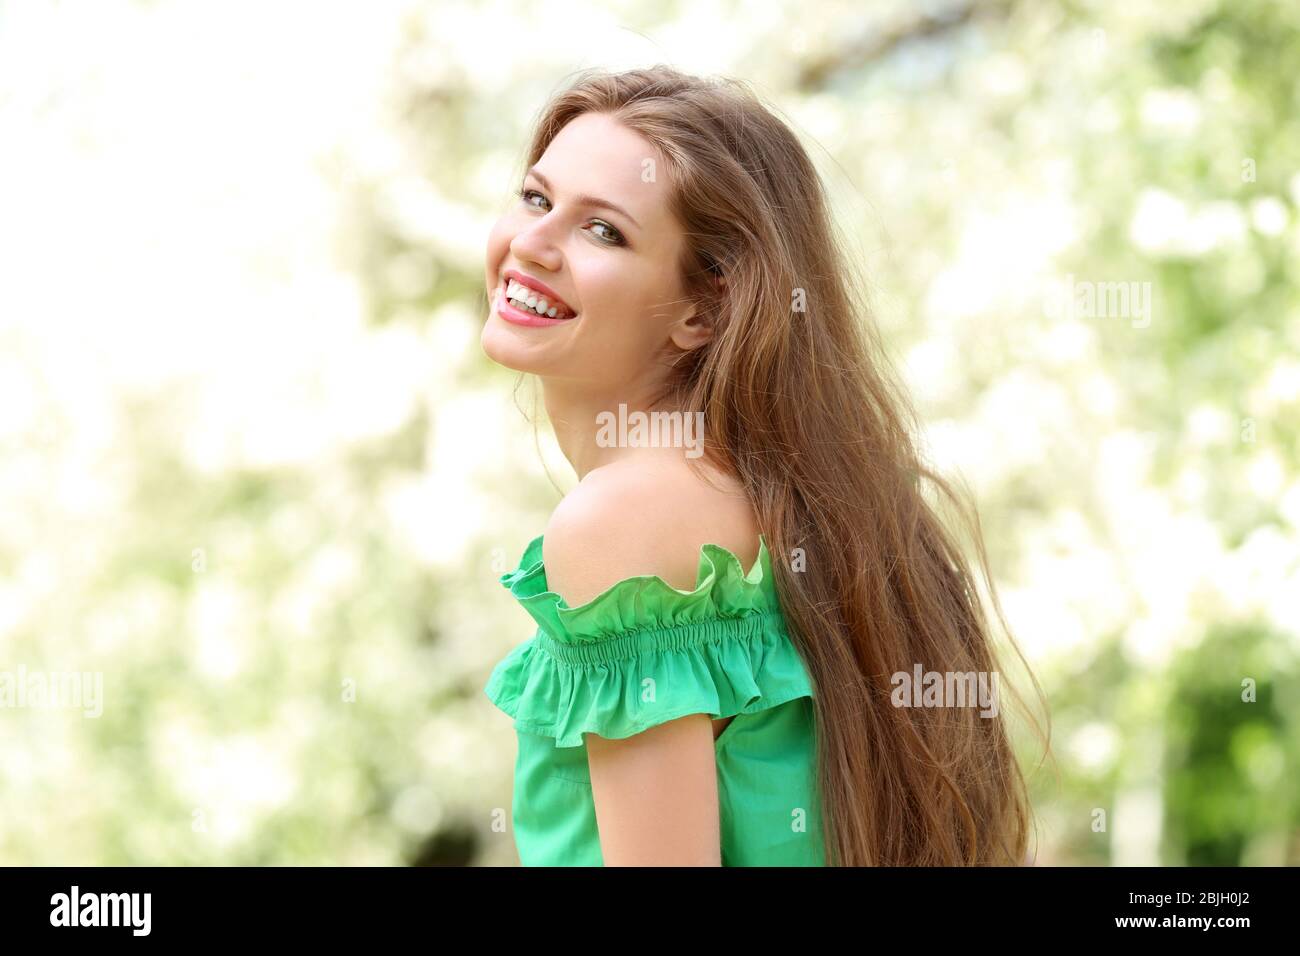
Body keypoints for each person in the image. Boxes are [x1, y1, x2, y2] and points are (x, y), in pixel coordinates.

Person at [481, 65, 1047, 866]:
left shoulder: (621, 521)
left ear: (703, 308)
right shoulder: (795, 500)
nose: (531, 244)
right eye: (537, 199)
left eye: (603, 231)